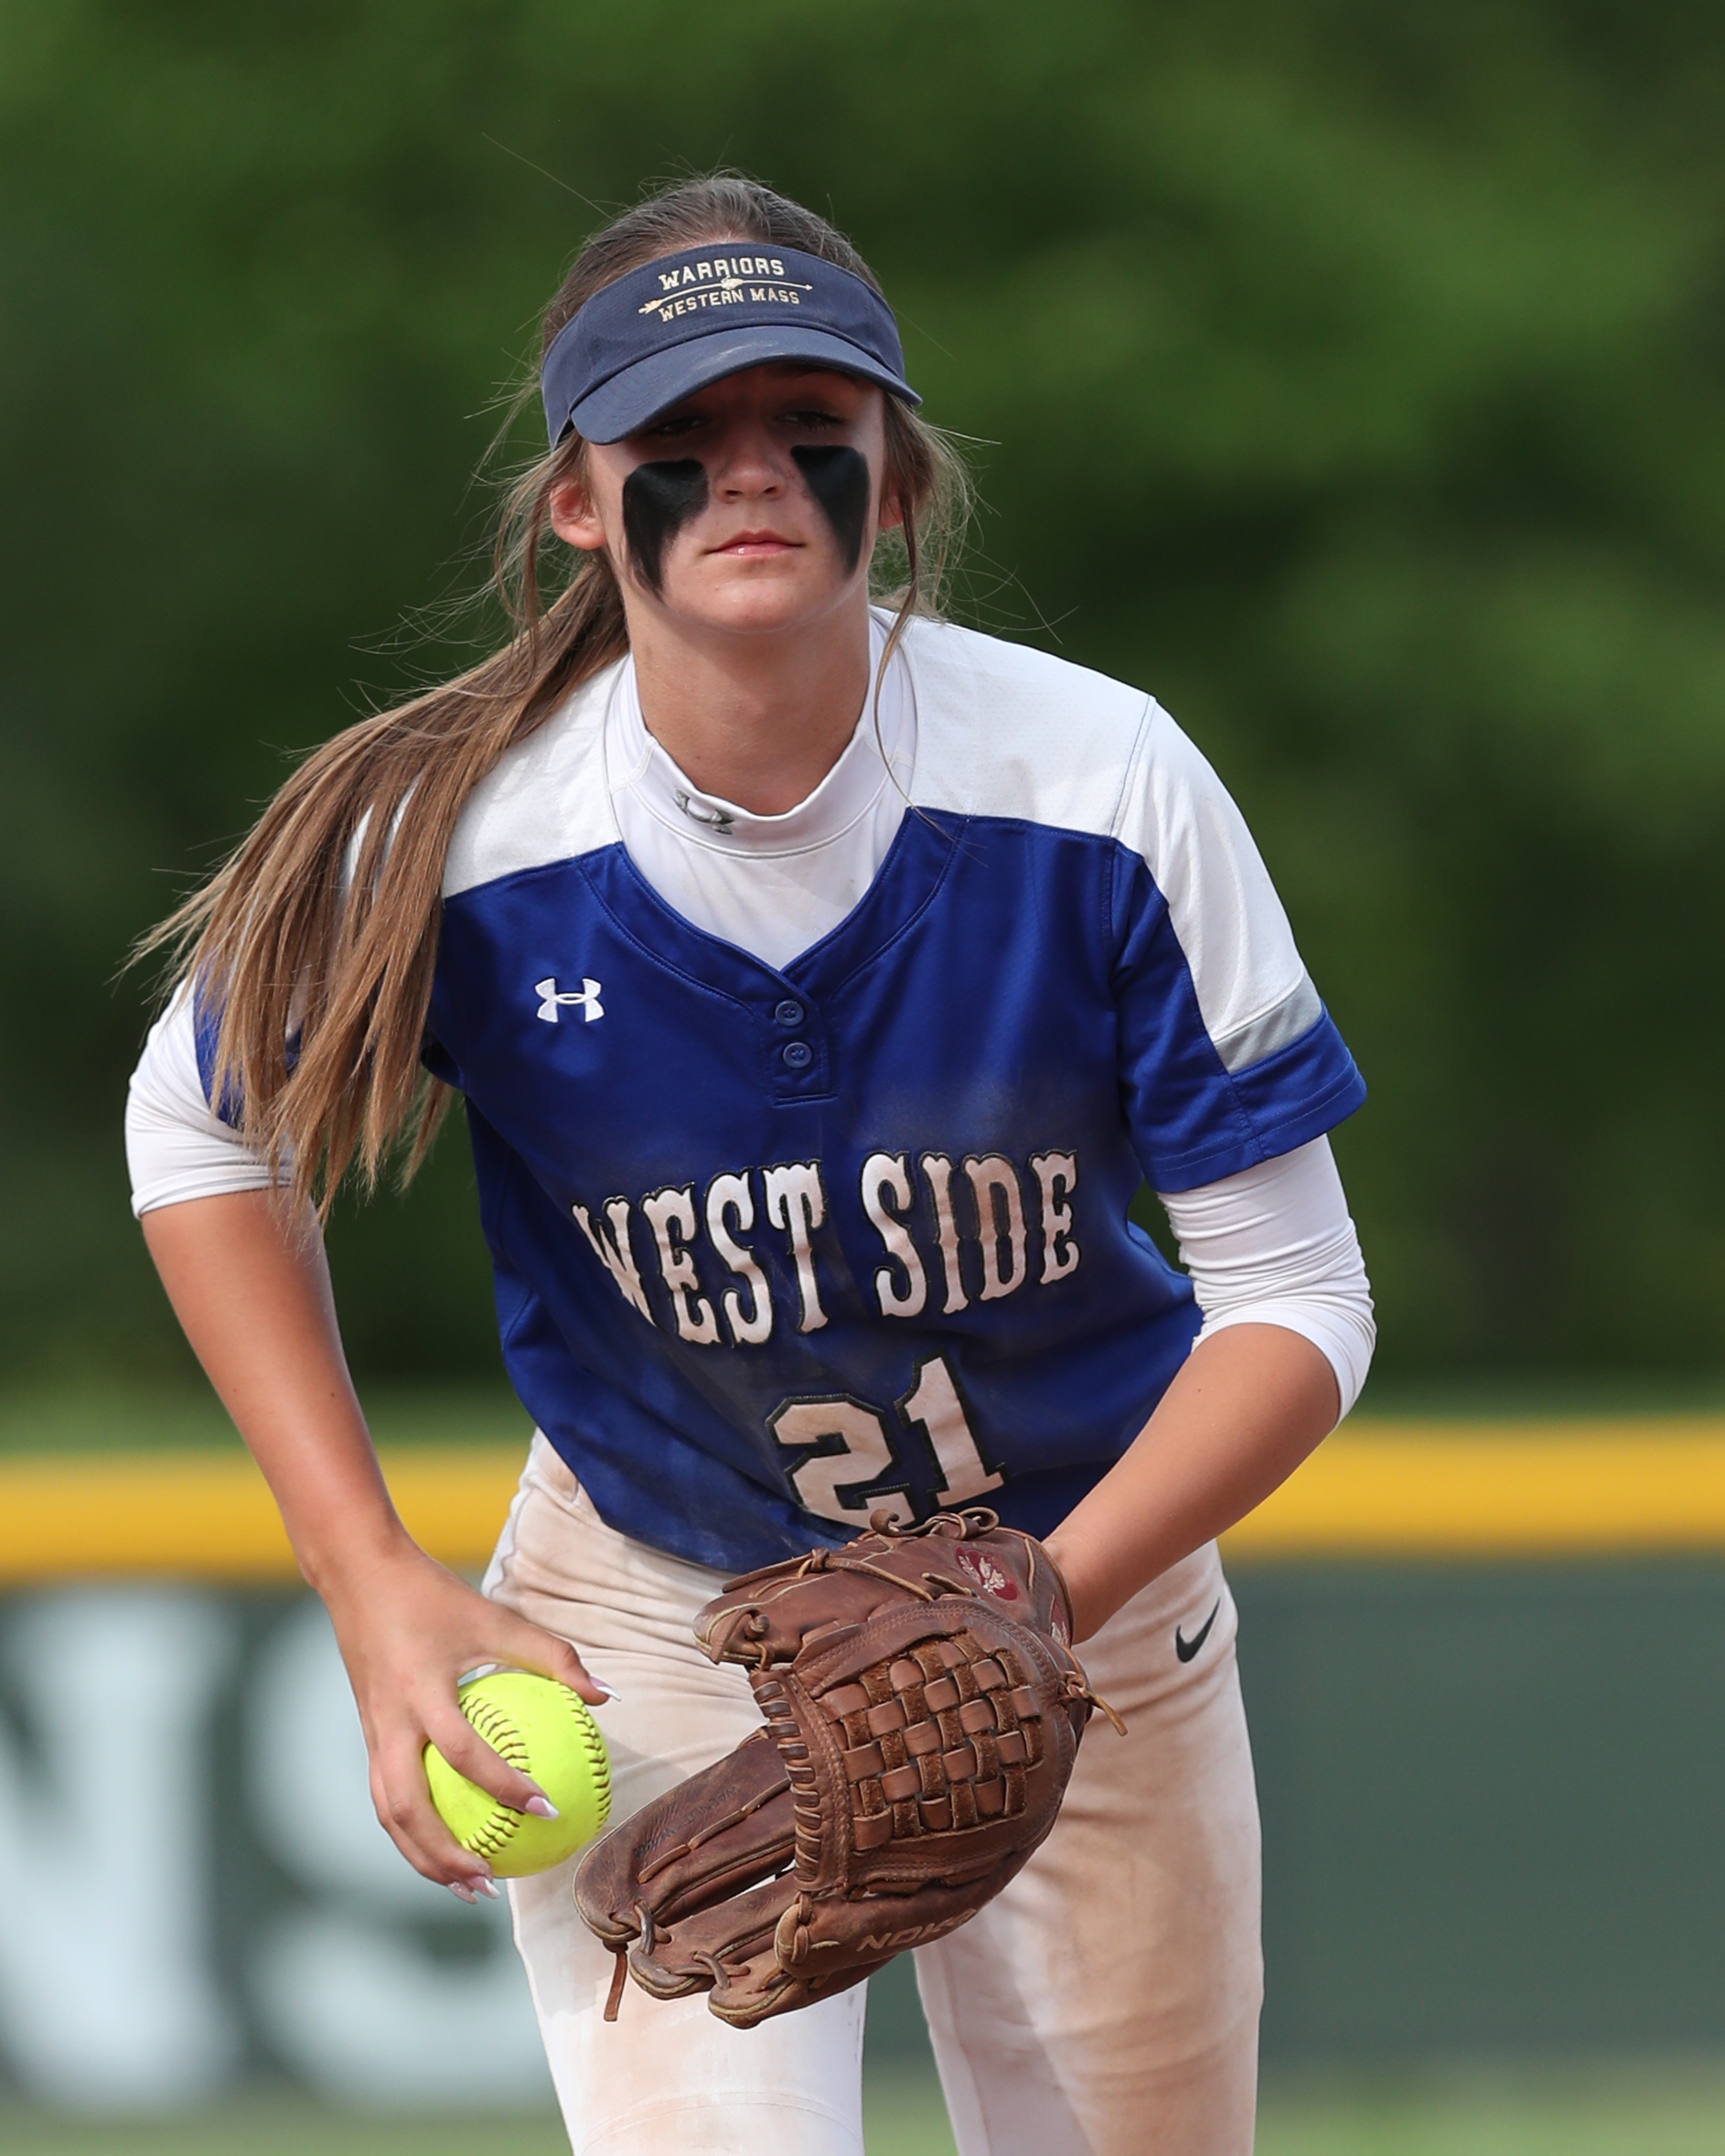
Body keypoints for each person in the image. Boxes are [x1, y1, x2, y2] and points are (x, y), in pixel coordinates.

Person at [125, 175, 1373, 2156]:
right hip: (655, 1605)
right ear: (572, 499)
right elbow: (193, 1125)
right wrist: (360, 1573)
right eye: (676, 435)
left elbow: (1299, 1298)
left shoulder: (1096, 782)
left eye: (806, 420)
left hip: (1083, 1598)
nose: (748, 471)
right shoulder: (467, 841)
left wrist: (1029, 1610)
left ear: (893, 476)